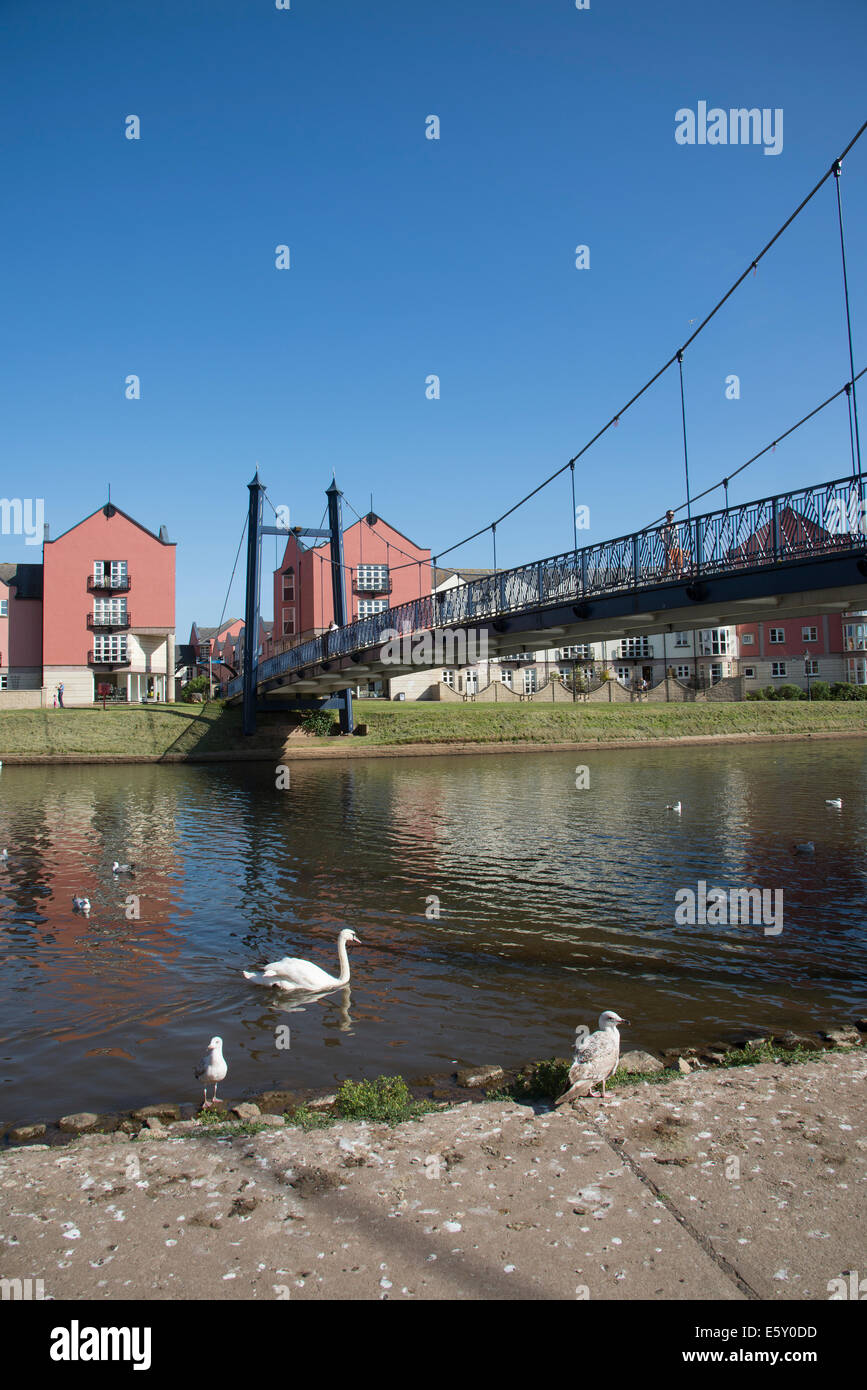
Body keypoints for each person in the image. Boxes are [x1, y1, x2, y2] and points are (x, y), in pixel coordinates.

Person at [662, 509, 684, 576]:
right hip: (669, 548)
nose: (671, 516)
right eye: (669, 515)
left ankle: (678, 578)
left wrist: (678, 544)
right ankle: (660, 577)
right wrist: (666, 543)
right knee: (668, 567)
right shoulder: (664, 525)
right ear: (666, 516)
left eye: (672, 515)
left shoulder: (675, 525)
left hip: (676, 547)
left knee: (679, 564)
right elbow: (661, 535)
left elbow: (677, 536)